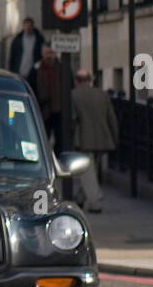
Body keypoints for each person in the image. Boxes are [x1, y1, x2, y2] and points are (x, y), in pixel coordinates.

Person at [71, 70, 118, 213]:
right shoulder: (102, 94)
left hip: (84, 138)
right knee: (92, 169)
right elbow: (112, 118)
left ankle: (95, 201)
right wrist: (115, 138)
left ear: (76, 81)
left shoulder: (73, 95)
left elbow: (72, 119)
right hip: (102, 137)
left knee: (87, 170)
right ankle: (80, 197)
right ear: (90, 80)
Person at [35, 44, 63, 147]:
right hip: (42, 110)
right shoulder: (36, 70)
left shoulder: (62, 69)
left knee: (60, 139)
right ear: (42, 54)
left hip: (59, 110)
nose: (49, 56)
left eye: (51, 53)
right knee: (43, 139)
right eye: (47, 53)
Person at [8, 17, 43, 90]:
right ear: (23, 26)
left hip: (34, 73)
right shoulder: (17, 39)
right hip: (19, 72)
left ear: (33, 26)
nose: (28, 28)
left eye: (30, 26)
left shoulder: (39, 39)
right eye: (26, 26)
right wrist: (11, 71)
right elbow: (12, 57)